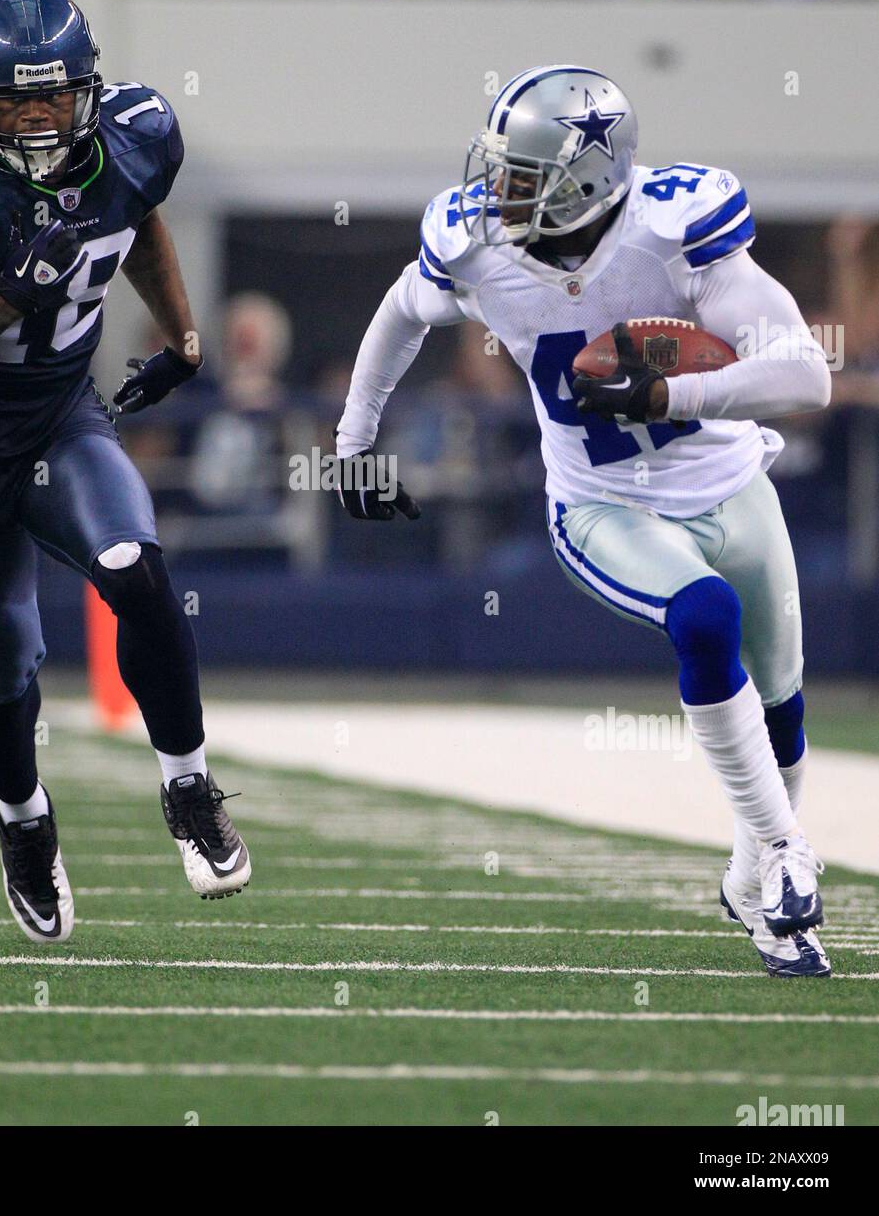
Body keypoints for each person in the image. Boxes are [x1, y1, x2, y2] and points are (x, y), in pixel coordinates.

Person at [334, 64, 833, 977]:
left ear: (589, 181)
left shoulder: (674, 231)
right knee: (704, 617)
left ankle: (752, 866)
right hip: (606, 505)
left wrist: (670, 390)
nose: (495, 191)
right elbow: (402, 311)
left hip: (727, 484)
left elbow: (806, 376)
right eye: (496, 167)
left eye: (521, 175)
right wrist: (354, 435)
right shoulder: (476, 245)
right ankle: (790, 856)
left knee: (784, 707)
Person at [0, 0, 251, 945]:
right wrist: (1, 302)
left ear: (90, 90)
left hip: (64, 419)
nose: (39, 118)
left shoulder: (137, 133)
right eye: (17, 102)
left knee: (137, 570)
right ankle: (24, 823)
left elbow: (138, 217)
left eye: (56, 98)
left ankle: (188, 787)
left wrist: (183, 333)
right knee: (2, 673)